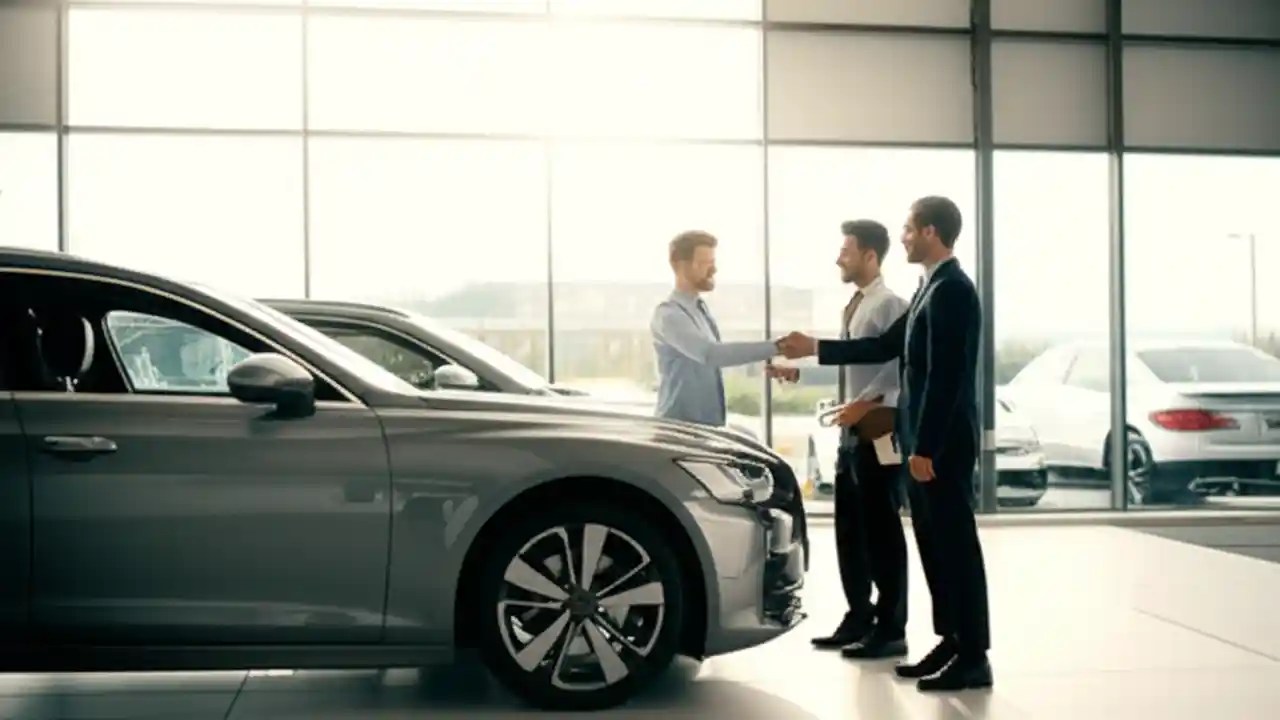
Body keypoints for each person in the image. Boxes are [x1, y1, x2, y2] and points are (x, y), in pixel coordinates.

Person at [777, 196, 993, 692]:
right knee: (934, 547)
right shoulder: (928, 289)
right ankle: (952, 641)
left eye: (909, 230)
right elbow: (881, 347)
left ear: (933, 232)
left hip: (940, 448)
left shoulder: (953, 291)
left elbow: (947, 377)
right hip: (923, 442)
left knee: (956, 549)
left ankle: (974, 654)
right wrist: (816, 348)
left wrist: (927, 449)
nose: (903, 237)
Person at [768, 220, 910, 659]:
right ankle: (858, 616)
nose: (839, 258)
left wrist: (868, 405)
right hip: (851, 434)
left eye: (847, 251)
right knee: (850, 530)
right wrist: (802, 371)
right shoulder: (855, 305)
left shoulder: (891, 306)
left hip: (876, 431)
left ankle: (891, 627)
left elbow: (894, 363)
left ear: (870, 256)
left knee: (883, 532)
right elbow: (851, 362)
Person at [650, 230, 808, 561]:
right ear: (680, 265)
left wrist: (771, 364)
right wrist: (775, 346)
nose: (714, 271)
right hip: (681, 429)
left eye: (713, 263)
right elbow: (709, 354)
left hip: (705, 429)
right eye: (705, 263)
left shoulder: (701, 310)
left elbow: (713, 359)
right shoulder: (669, 314)